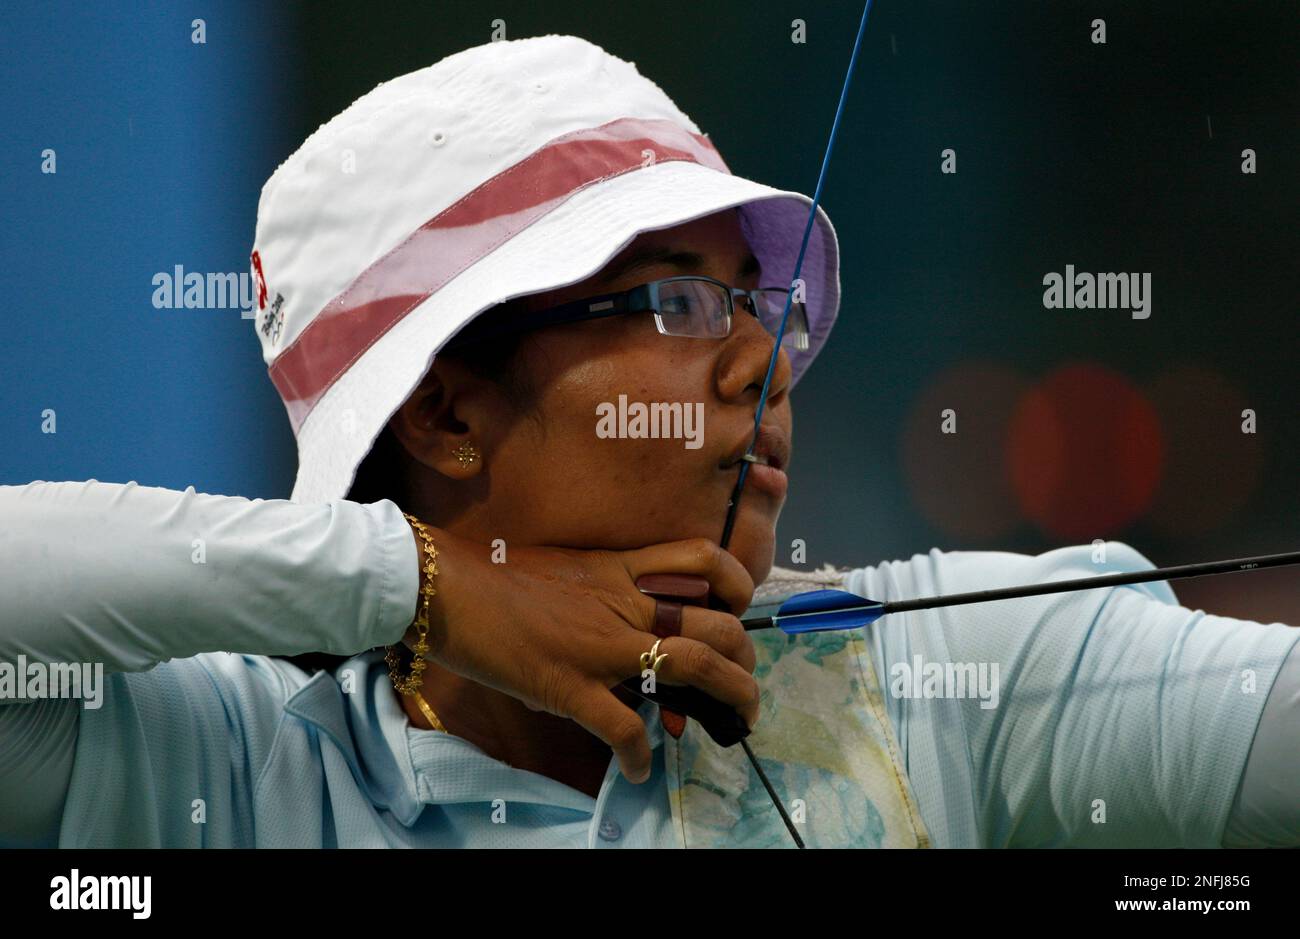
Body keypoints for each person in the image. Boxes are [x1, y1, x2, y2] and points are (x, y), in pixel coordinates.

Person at [2, 35, 1296, 849]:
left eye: (758, 305)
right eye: (676, 301)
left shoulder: (943, 675)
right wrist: (420, 587)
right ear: (446, 411)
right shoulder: (221, 772)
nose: (763, 363)